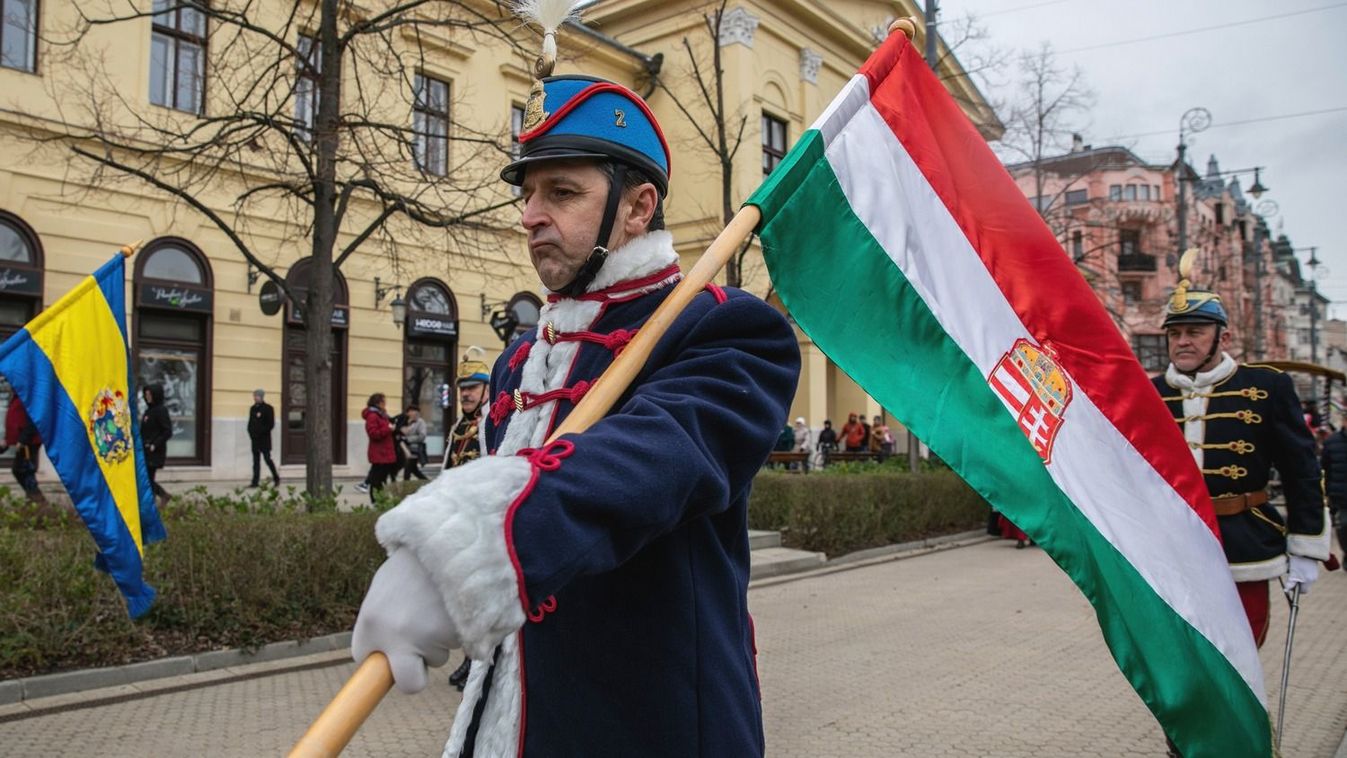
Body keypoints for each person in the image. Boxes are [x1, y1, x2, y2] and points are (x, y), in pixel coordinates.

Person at [351, 51, 799, 757]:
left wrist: (474, 543)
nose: (530, 216)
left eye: (560, 193)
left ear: (637, 206)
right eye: (526, 194)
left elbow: (649, 461)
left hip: (652, 730)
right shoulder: (520, 359)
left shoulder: (723, 329)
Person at [1151, 252, 1328, 651]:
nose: (1182, 341)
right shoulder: (1152, 393)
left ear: (1223, 337)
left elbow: (1301, 470)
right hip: (1172, 543)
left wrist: (1306, 546)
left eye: (1195, 331)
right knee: (1181, 652)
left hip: (1244, 538)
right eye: (1175, 333)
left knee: (1243, 650)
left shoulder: (1267, 387)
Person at [442, 353, 491, 692]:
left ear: (487, 389)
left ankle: (478, 661)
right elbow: (447, 469)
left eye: (472, 388)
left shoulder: (492, 423)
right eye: (463, 389)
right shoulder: (459, 426)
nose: (466, 394)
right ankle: (469, 658)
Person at [4, 395, 46, 504]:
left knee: (24, 470)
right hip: (22, 441)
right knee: (22, 471)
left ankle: (38, 502)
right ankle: (33, 500)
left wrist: (23, 440)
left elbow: (33, 420)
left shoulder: (27, 395)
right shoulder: (17, 395)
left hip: (28, 442)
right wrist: (8, 440)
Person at [140, 384, 173, 507]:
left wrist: (155, 444)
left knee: (148, 478)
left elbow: (167, 431)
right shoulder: (149, 410)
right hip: (145, 450)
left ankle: (157, 498)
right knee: (146, 478)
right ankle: (157, 497)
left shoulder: (161, 410)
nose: (147, 397)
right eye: (146, 395)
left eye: (149, 395)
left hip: (154, 451)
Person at [360, 393, 396, 504]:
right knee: (376, 481)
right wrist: (388, 429)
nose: (385, 404)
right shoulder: (373, 416)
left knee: (381, 480)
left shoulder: (382, 415)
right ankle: (376, 502)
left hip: (385, 452)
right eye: (383, 402)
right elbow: (373, 433)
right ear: (378, 403)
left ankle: (380, 501)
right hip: (379, 453)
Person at [247, 389, 279, 488]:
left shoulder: (268, 408)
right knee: (256, 461)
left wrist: (261, 432)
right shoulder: (252, 408)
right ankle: (255, 481)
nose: (255, 397)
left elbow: (270, 424)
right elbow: (250, 423)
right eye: (254, 396)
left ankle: (276, 478)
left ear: (261, 397)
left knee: (267, 459)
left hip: (264, 439)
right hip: (255, 440)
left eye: (257, 396)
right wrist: (251, 433)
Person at [398, 405, 428, 481]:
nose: (413, 414)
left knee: (408, 470)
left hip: (415, 449)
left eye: (415, 413)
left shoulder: (420, 422)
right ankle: (428, 483)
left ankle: (405, 488)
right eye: (411, 412)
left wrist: (407, 439)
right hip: (404, 449)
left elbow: (422, 436)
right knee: (414, 470)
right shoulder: (405, 421)